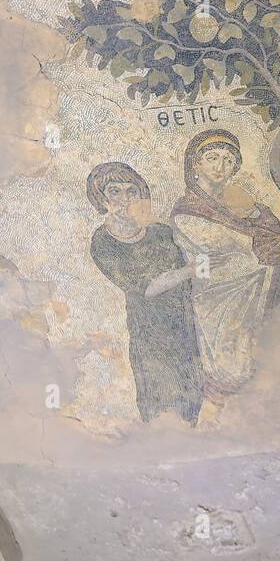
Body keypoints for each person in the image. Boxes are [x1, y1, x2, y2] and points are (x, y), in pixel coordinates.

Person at [171, 129, 280, 421]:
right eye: (211, 158)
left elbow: (276, 241)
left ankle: (247, 423)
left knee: (252, 359)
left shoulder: (248, 207)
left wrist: (261, 231)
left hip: (254, 296)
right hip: (215, 299)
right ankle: (215, 423)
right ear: (194, 165)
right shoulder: (186, 211)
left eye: (228, 160)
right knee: (225, 366)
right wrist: (259, 239)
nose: (220, 166)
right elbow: (226, 253)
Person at [87, 162, 204, 425]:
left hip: (182, 327)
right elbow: (145, 289)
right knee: (160, 399)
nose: (124, 199)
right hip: (149, 333)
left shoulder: (161, 233)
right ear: (101, 198)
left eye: (131, 191)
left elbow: (187, 282)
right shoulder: (103, 242)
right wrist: (192, 270)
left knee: (192, 394)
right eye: (114, 191)